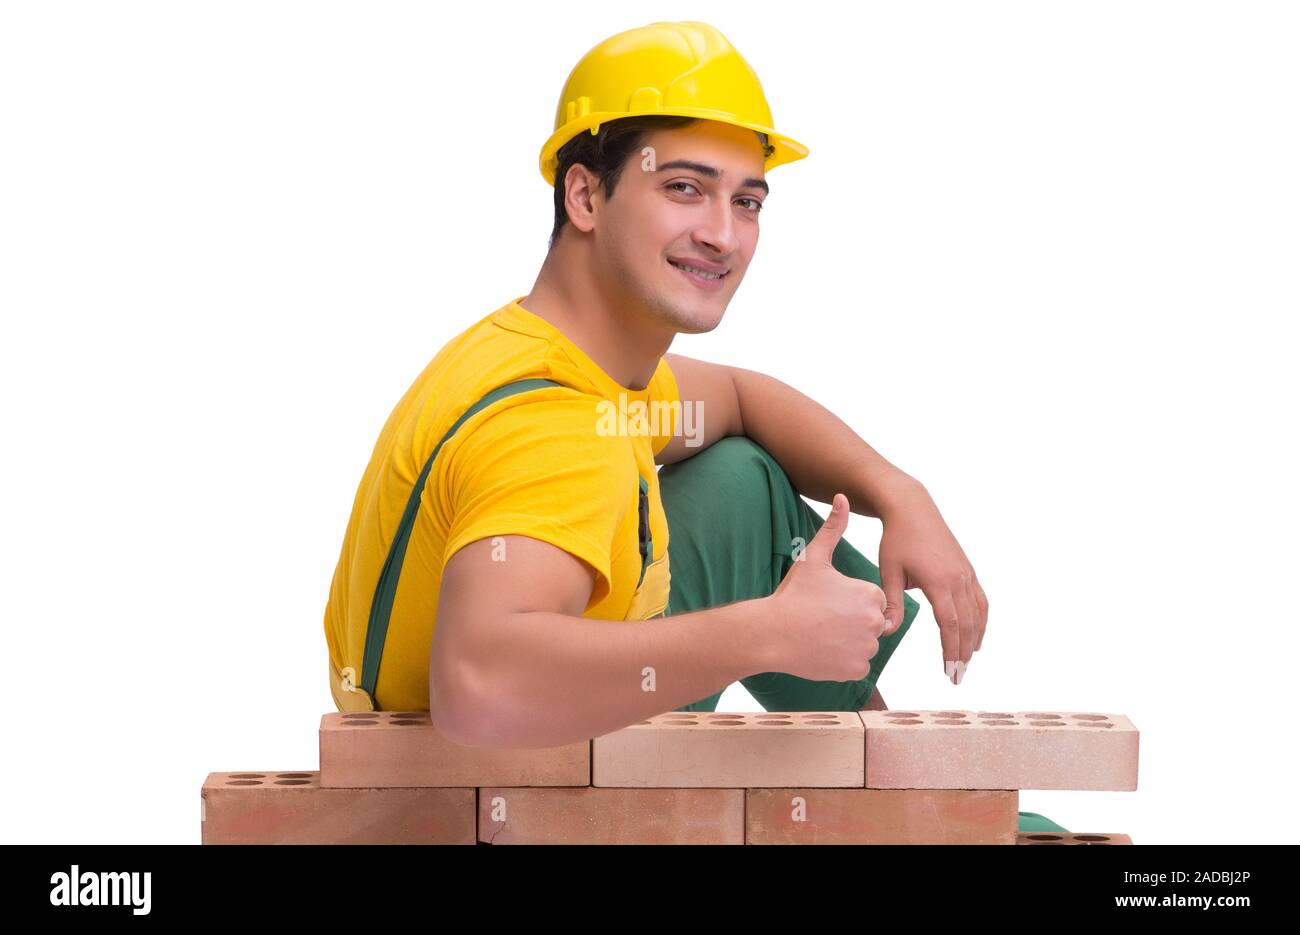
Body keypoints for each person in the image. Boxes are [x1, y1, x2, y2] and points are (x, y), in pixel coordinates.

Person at [321, 20, 1067, 835]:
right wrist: (767, 633)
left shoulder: (571, 364)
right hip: (502, 801)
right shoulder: (556, 424)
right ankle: (911, 826)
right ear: (584, 196)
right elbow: (478, 683)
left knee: (741, 483)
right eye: (684, 187)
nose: (723, 233)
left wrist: (902, 494)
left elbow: (743, 400)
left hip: (523, 753)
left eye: (746, 201)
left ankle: (892, 801)